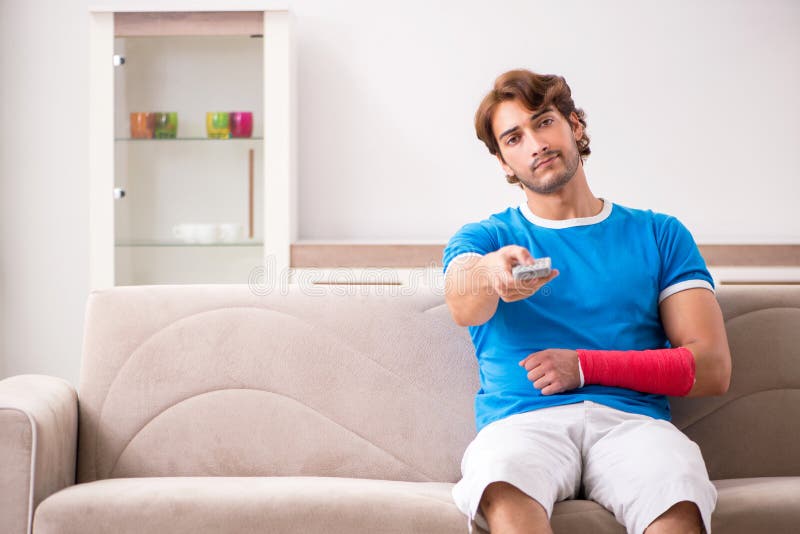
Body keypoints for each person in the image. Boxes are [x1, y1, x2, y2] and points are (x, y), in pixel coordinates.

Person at [443, 69, 732, 534]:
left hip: (633, 426)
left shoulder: (659, 234)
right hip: (523, 424)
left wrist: (585, 366)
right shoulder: (486, 237)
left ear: (575, 126)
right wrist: (491, 272)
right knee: (502, 478)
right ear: (503, 162)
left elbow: (711, 369)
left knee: (677, 489)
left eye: (544, 122)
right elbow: (462, 302)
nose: (535, 144)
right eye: (514, 138)